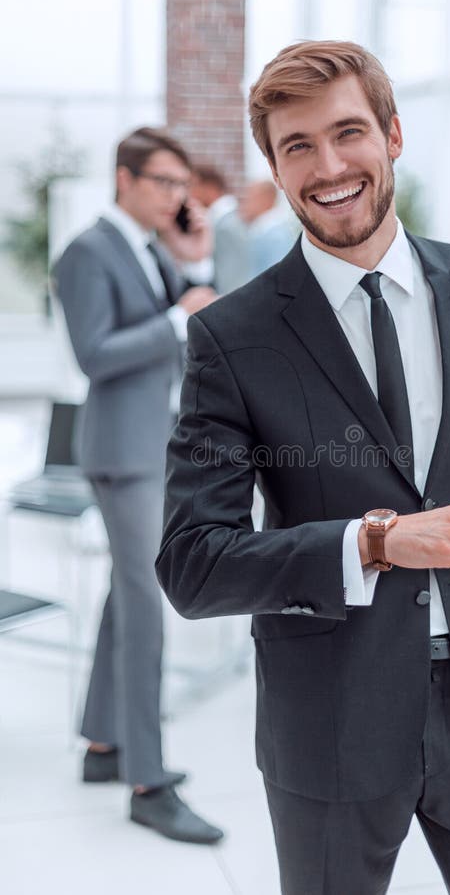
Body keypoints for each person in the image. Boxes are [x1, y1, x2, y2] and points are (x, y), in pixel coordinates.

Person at [156, 42, 450, 893]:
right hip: (330, 718)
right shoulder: (230, 338)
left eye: (347, 133)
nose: (328, 167)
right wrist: (376, 542)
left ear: (392, 135)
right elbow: (193, 564)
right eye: (297, 147)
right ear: (275, 172)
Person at [54, 126, 223, 845]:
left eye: (181, 186)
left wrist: (192, 258)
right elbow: (95, 355)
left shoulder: (146, 247)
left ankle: (103, 745)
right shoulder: (87, 252)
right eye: (164, 183)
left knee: (127, 606)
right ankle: (147, 783)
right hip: (122, 453)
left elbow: (199, 303)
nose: (175, 197)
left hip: (152, 446)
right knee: (147, 609)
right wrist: (175, 317)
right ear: (123, 178)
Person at [189, 164, 250, 295]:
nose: (190, 193)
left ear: (209, 187)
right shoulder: (226, 220)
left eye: (193, 186)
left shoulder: (227, 225)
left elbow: (233, 280)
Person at [239, 179, 295, 276]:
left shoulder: (276, 236)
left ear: (266, 199)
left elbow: (276, 276)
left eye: (250, 198)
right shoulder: (261, 230)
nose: (244, 204)